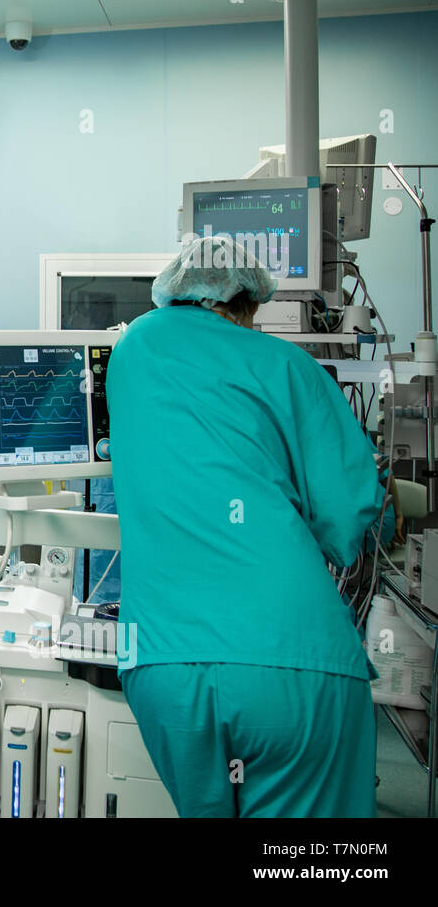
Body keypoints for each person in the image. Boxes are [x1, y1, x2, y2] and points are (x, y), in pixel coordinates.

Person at [106, 235, 398, 818]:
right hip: (292, 660)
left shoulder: (130, 351)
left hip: (166, 666)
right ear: (246, 302)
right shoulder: (288, 366)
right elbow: (348, 515)